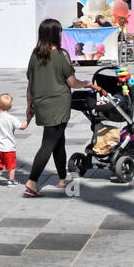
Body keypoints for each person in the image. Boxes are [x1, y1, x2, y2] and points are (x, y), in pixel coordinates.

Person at [23, 18, 95, 197]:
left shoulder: (35, 54)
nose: (62, 34)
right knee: (48, 143)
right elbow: (72, 82)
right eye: (60, 31)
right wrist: (87, 83)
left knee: (58, 140)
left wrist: (29, 105)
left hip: (41, 103)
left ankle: (62, 178)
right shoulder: (62, 54)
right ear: (55, 34)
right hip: (58, 104)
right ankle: (32, 182)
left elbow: (30, 84)